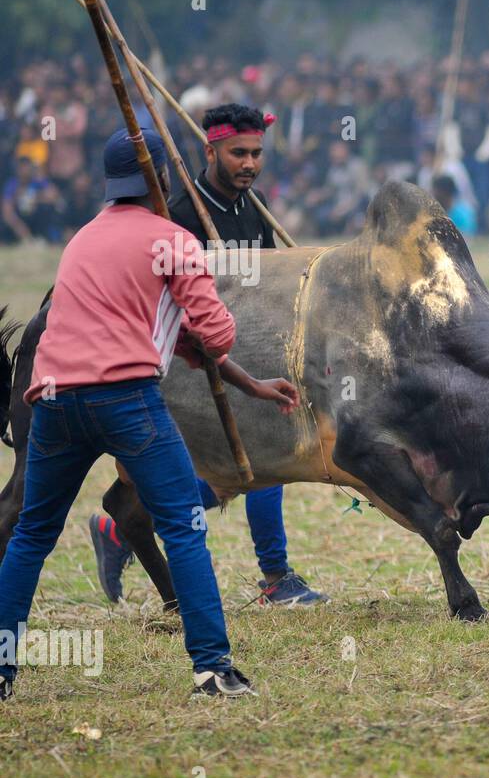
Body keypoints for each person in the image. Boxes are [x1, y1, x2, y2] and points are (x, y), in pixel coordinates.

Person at [0, 127, 300, 701]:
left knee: (32, 535)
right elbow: (215, 335)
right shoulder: (174, 240)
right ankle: (212, 668)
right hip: (125, 401)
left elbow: (180, 338)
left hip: (56, 400)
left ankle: (1, 667)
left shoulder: (82, 239)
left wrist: (253, 386)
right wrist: (208, 287)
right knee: (185, 528)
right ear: (160, 176)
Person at [88, 105, 328, 607]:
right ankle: (275, 577)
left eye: (256, 153)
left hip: (252, 355)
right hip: (191, 361)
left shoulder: (256, 206)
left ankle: (121, 527)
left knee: (242, 474)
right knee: (252, 467)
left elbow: (269, 289)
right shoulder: (178, 212)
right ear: (210, 151)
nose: (249, 163)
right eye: (238, 153)